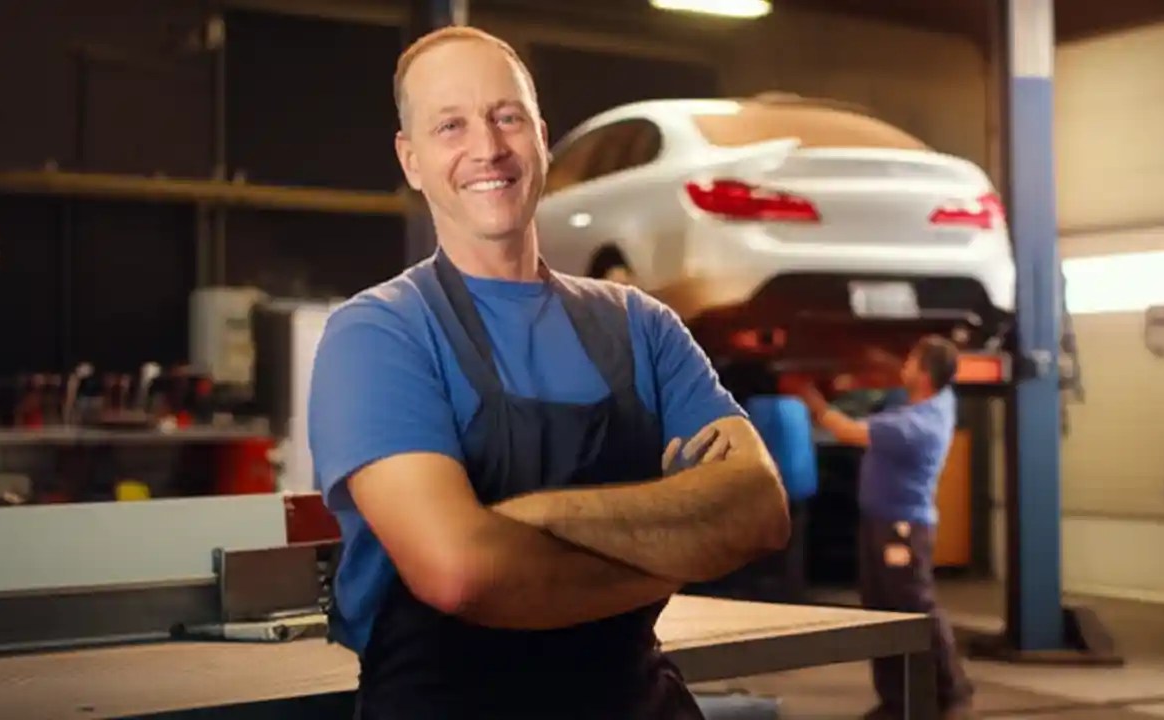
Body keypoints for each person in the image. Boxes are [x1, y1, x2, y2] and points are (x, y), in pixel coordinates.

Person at [306, 25, 791, 720]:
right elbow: (461, 573)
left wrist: (534, 519)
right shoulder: (380, 333)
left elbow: (757, 511)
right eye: (451, 125)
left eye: (508, 117)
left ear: (540, 136)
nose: (488, 147)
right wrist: (683, 544)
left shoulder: (640, 326)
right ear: (410, 160)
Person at [786, 337, 974, 720]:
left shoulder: (914, 425)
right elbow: (896, 376)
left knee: (915, 608)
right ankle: (898, 702)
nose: (901, 367)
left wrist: (810, 398)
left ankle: (952, 691)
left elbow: (848, 432)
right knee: (881, 611)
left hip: (900, 530)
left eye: (909, 362)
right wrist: (870, 361)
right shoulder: (936, 401)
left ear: (922, 374)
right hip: (882, 523)